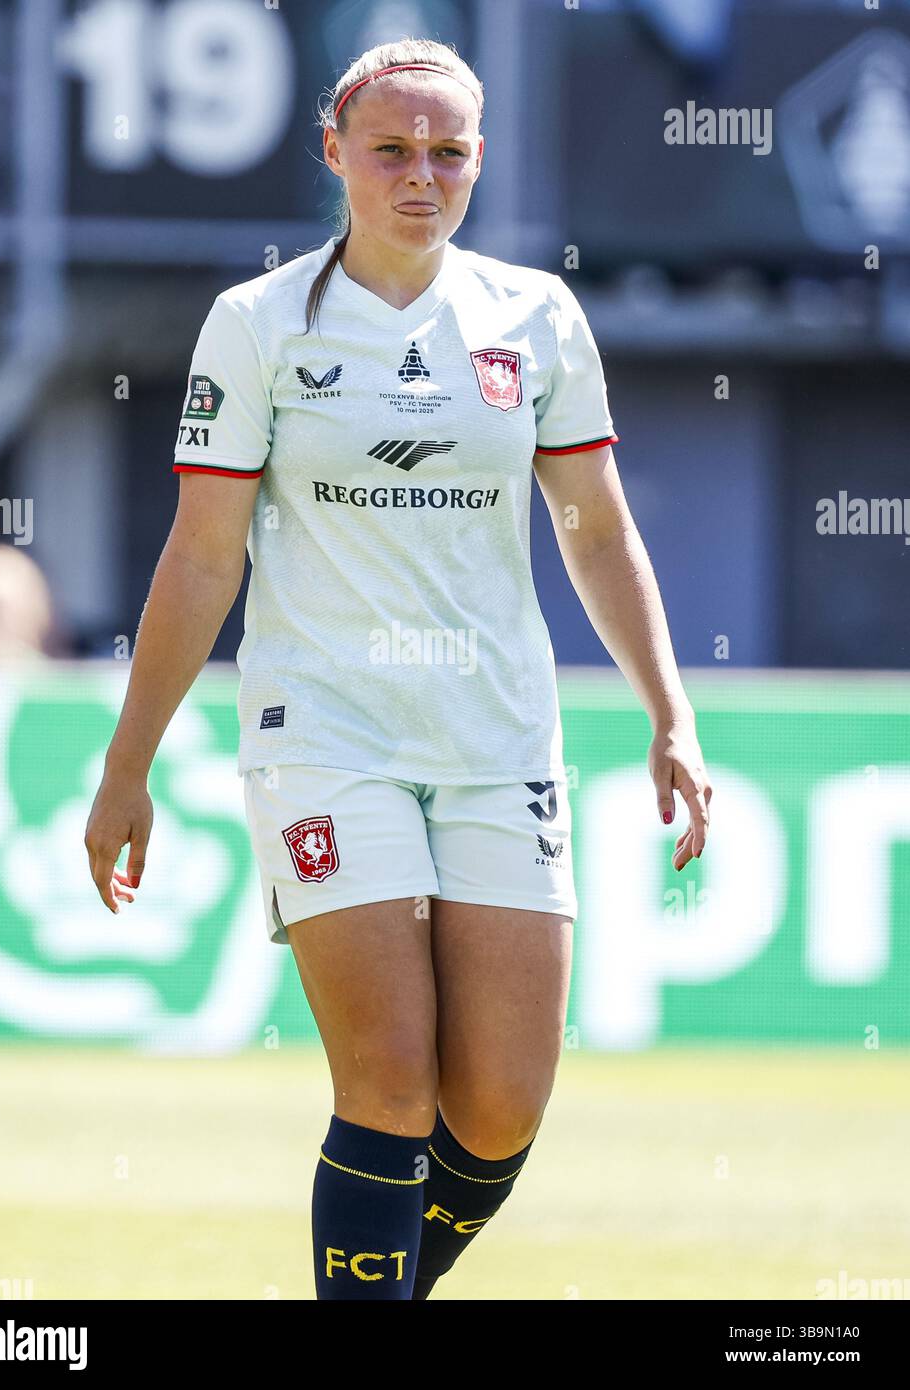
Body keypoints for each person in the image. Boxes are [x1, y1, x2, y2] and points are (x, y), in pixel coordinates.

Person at [85, 36, 712, 1301]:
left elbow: (595, 532)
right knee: (386, 1082)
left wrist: (668, 711)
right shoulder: (257, 324)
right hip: (324, 735)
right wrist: (126, 764)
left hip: (496, 738)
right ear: (335, 154)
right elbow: (201, 557)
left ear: (478, 160)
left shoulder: (535, 316)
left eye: (447, 152)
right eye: (389, 149)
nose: (420, 174)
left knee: (498, 1104)